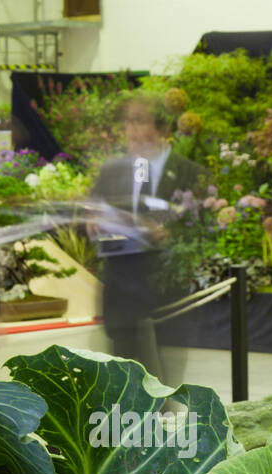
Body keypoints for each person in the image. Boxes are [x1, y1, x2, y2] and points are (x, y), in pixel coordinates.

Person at [91, 92, 205, 382]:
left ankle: (167, 426)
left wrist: (171, 235)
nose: (131, 129)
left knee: (167, 386)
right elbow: (93, 213)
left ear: (163, 129)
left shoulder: (190, 173)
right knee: (124, 383)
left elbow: (203, 229)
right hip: (120, 292)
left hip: (167, 295)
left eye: (140, 121)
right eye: (127, 121)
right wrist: (93, 222)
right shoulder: (111, 171)